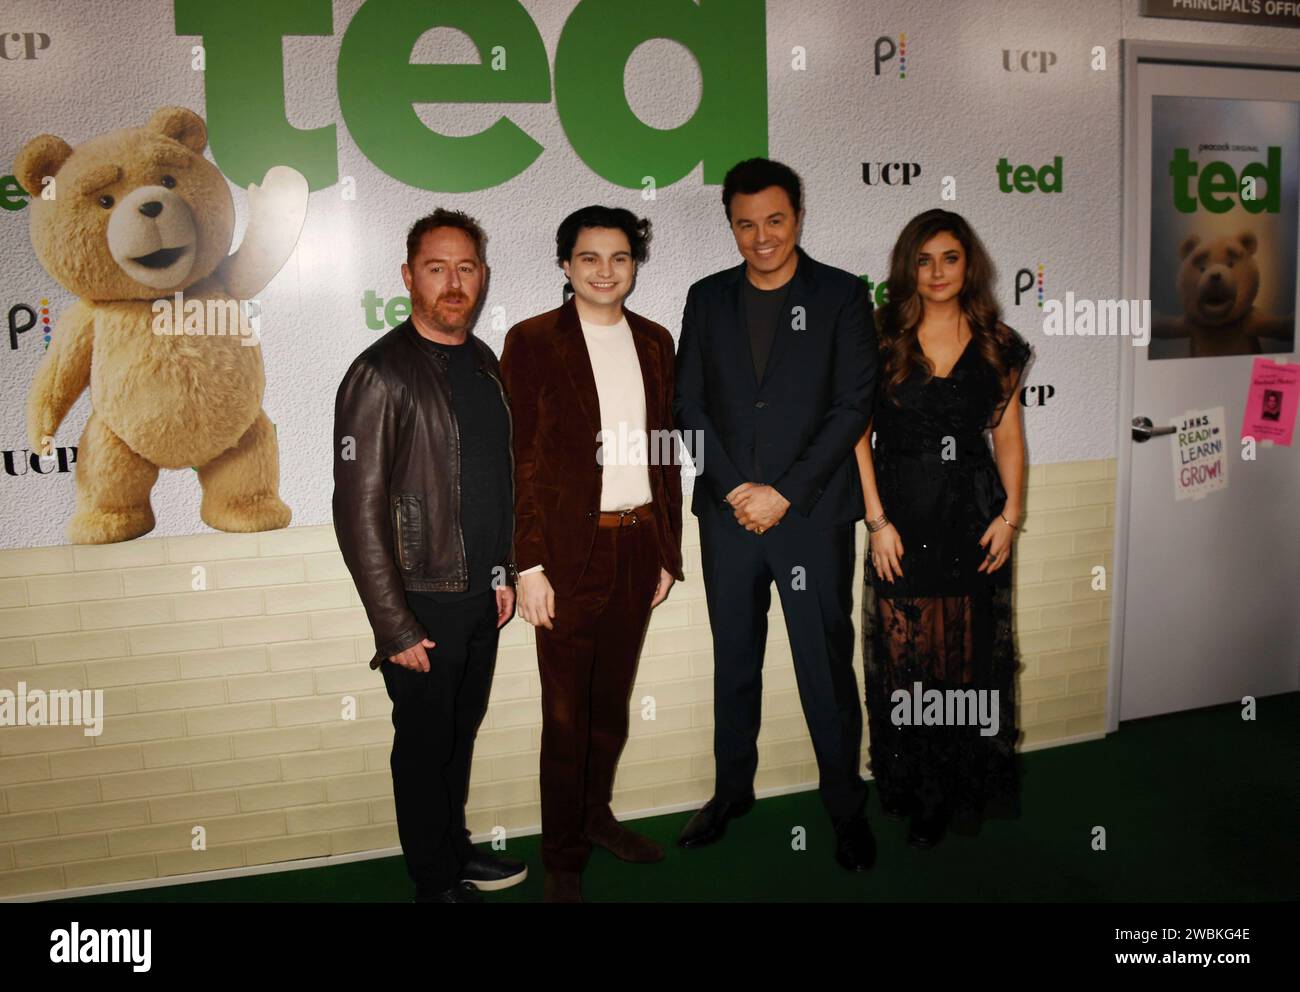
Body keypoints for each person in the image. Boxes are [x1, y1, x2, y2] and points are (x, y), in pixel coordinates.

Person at [673, 158, 878, 871]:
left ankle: (845, 808)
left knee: (824, 666)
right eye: (746, 224)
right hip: (727, 517)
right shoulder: (706, 298)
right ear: (731, 226)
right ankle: (732, 793)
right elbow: (687, 404)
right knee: (734, 660)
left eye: (775, 220)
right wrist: (737, 489)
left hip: (811, 518)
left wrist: (783, 493)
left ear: (799, 216)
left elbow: (852, 407)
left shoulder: (843, 296)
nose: (761, 237)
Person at [332, 209, 527, 902]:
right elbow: (355, 512)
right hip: (421, 604)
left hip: (480, 595)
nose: (453, 282)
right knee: (423, 748)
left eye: (466, 268)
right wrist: (394, 625)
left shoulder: (484, 362)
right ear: (408, 276)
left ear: (482, 276)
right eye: (437, 268)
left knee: (458, 736)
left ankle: (455, 849)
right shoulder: (378, 373)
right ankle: (433, 883)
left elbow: (496, 480)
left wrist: (502, 573)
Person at [500, 206, 684, 903]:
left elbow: (665, 449)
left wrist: (665, 548)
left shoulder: (656, 341)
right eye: (589, 258)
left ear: (634, 265)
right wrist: (527, 565)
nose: (605, 271)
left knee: (609, 707)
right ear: (566, 265)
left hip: (638, 547)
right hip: (566, 558)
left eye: (619, 257)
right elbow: (517, 459)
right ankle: (562, 855)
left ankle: (597, 818)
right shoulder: (532, 341)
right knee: (565, 717)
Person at [854, 208, 1030, 849]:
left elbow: (1007, 436)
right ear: (909, 268)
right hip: (901, 516)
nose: (936, 272)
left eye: (949, 258)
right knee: (910, 662)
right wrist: (876, 520)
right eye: (924, 260)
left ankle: (964, 782)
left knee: (969, 660)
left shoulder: (998, 344)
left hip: (975, 516)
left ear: (968, 265)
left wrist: (1011, 515)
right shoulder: (881, 340)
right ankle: (922, 791)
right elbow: (857, 436)